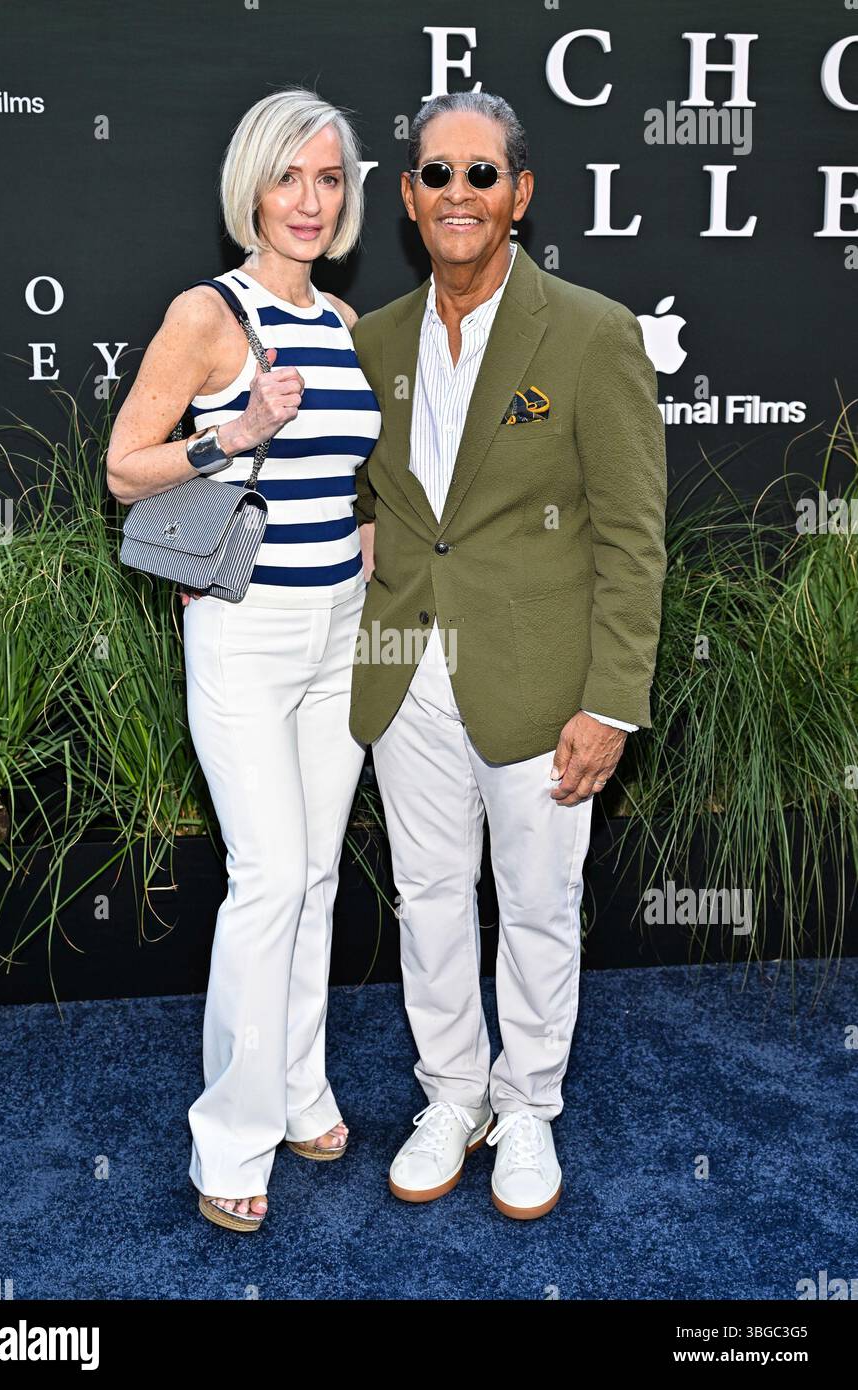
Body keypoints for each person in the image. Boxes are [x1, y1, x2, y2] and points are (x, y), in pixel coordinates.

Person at [350, 91, 667, 1220]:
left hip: (540, 681)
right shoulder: (371, 336)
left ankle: (527, 1102)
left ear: (519, 195)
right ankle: (452, 1094)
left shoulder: (589, 331)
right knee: (428, 895)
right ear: (408, 197)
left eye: (481, 175)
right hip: (404, 675)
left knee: (537, 902)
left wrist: (613, 702)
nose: (458, 195)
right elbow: (369, 506)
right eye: (436, 174)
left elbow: (633, 538)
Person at [106, 88, 380, 1232]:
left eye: (330, 180)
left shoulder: (346, 322)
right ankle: (230, 1132)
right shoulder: (209, 313)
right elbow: (125, 468)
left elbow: (353, 477)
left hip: (342, 627)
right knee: (267, 875)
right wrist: (236, 431)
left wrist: (369, 539)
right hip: (245, 627)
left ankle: (301, 1084)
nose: (310, 201)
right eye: (290, 178)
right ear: (252, 189)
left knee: (316, 873)